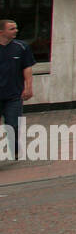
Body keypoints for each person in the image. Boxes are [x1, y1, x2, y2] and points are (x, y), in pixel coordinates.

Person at [0, 19, 35, 161]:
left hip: (13, 95)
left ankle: (14, 149)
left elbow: (27, 68)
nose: (16, 31)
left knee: (13, 125)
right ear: (1, 32)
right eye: (12, 29)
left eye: (16, 28)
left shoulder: (22, 47)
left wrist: (28, 87)